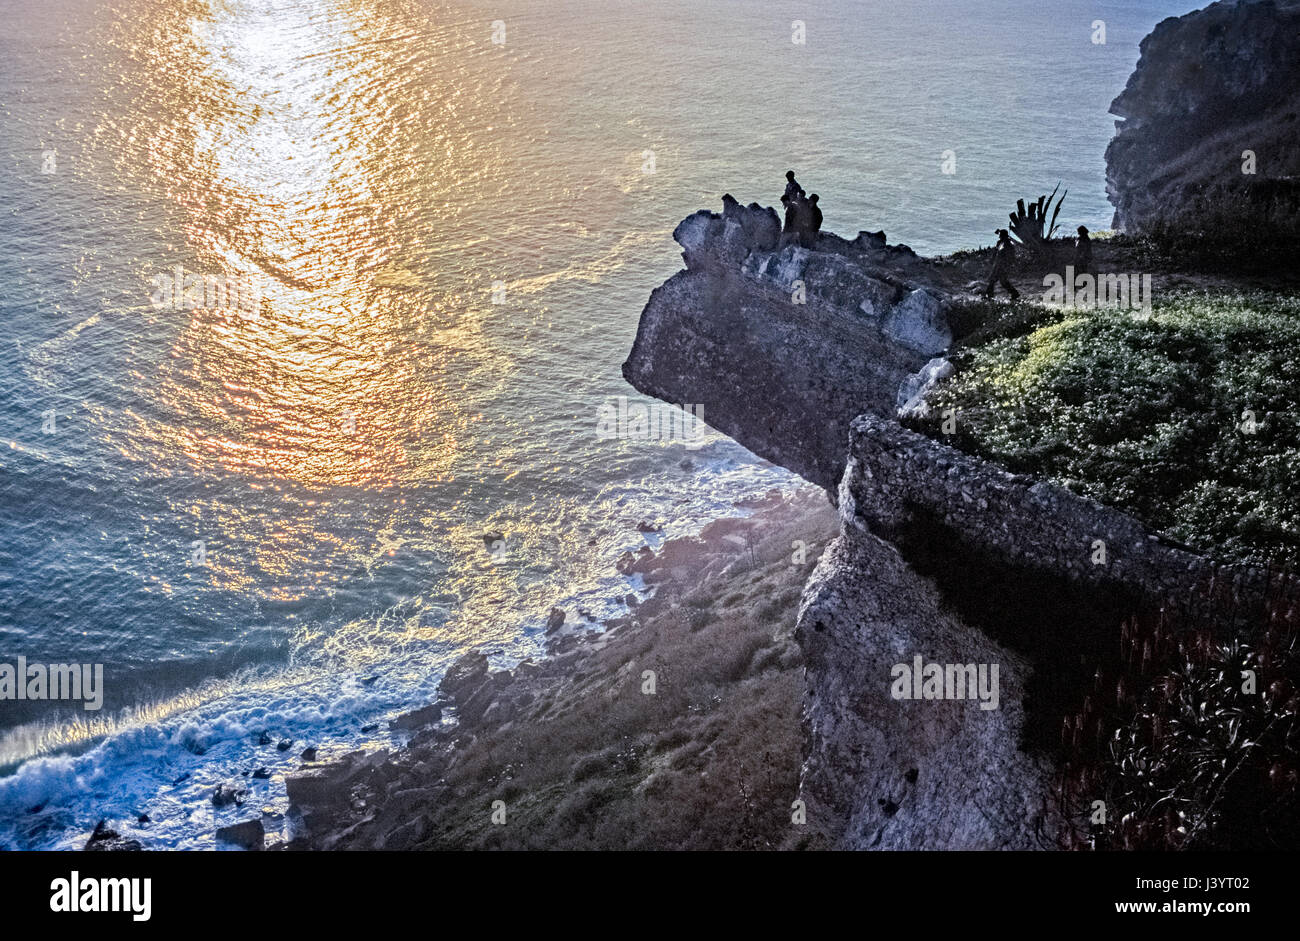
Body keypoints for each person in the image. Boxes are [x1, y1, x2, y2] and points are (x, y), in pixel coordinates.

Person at [983, 229, 1020, 300]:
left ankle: (989, 295)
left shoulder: (1008, 245)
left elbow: (1011, 257)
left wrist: (1007, 265)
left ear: (1004, 236)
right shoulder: (1001, 243)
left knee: (999, 281)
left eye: (1001, 235)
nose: (999, 237)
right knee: (997, 281)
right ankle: (1014, 293)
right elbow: (996, 253)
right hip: (999, 265)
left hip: (1003, 266)